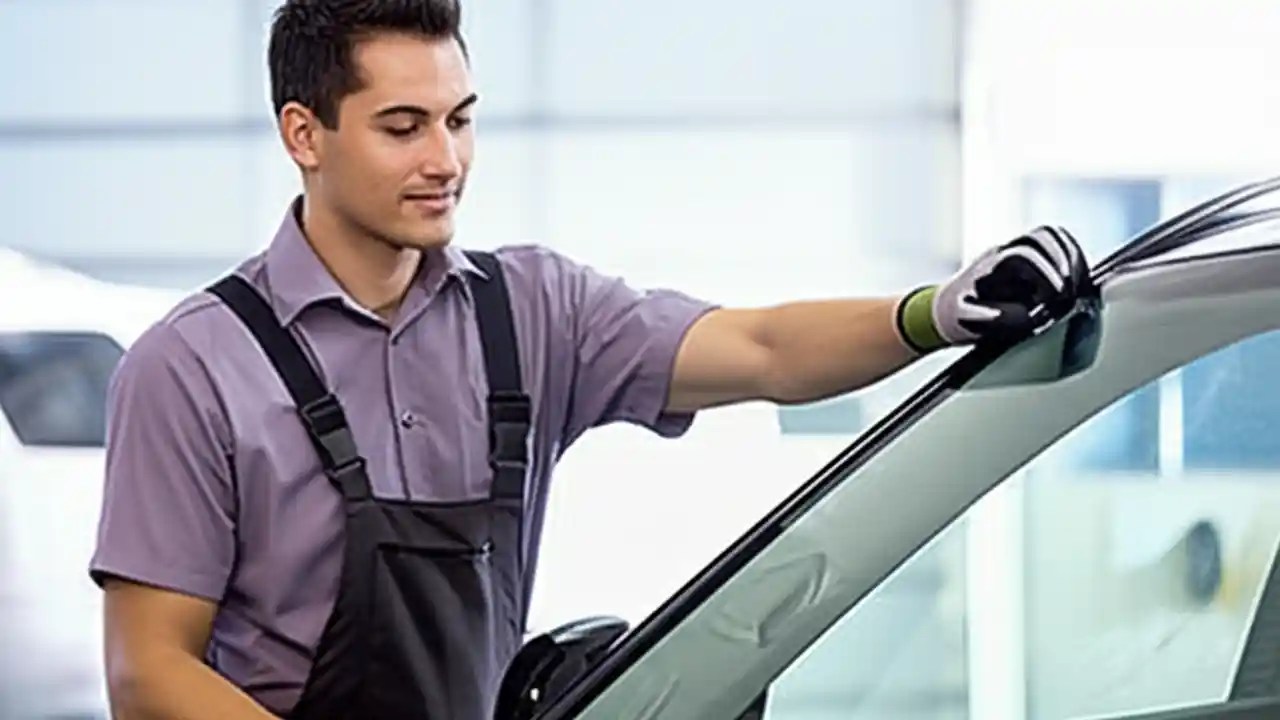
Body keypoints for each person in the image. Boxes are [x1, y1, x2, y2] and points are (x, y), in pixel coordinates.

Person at [88, 1, 1090, 718]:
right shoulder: (191, 367)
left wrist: (932, 312)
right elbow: (148, 674)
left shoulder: (530, 312)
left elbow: (759, 347)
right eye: (403, 127)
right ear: (304, 134)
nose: (445, 160)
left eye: (459, 118)